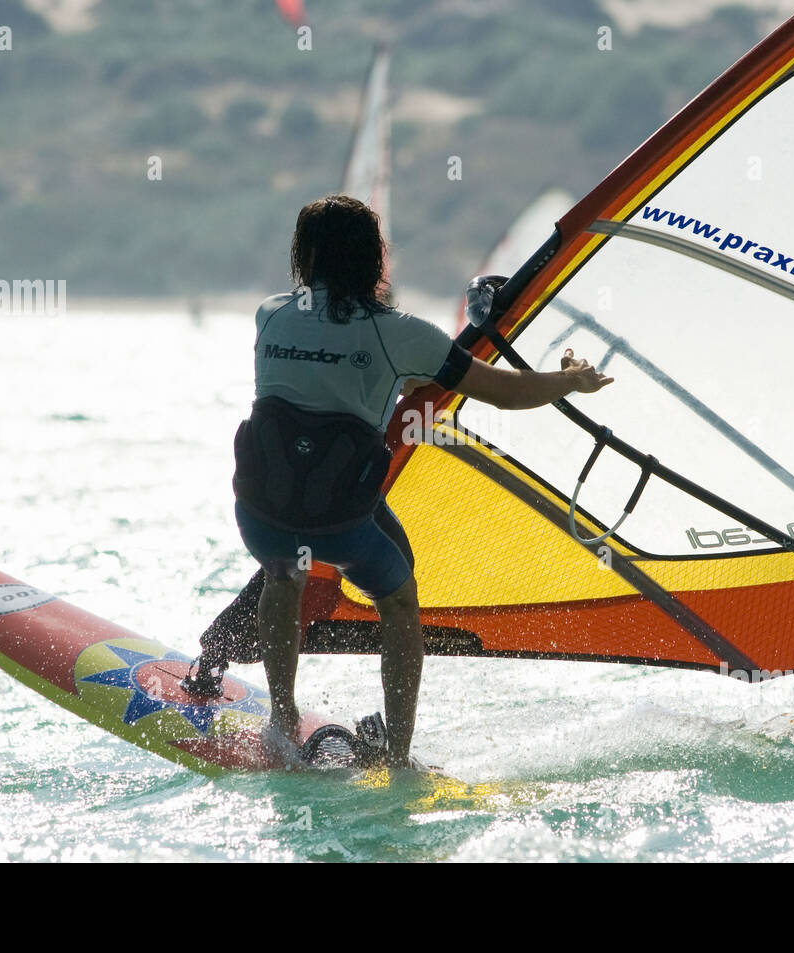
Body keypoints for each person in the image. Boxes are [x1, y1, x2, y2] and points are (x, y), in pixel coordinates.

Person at [184, 194, 613, 769]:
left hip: (260, 516)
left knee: (282, 575)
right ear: (373, 259)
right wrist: (569, 381)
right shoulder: (401, 333)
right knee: (398, 598)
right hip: (340, 524)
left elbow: (318, 374)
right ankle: (399, 757)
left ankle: (281, 719)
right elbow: (508, 394)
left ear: (304, 256)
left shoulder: (270, 314)